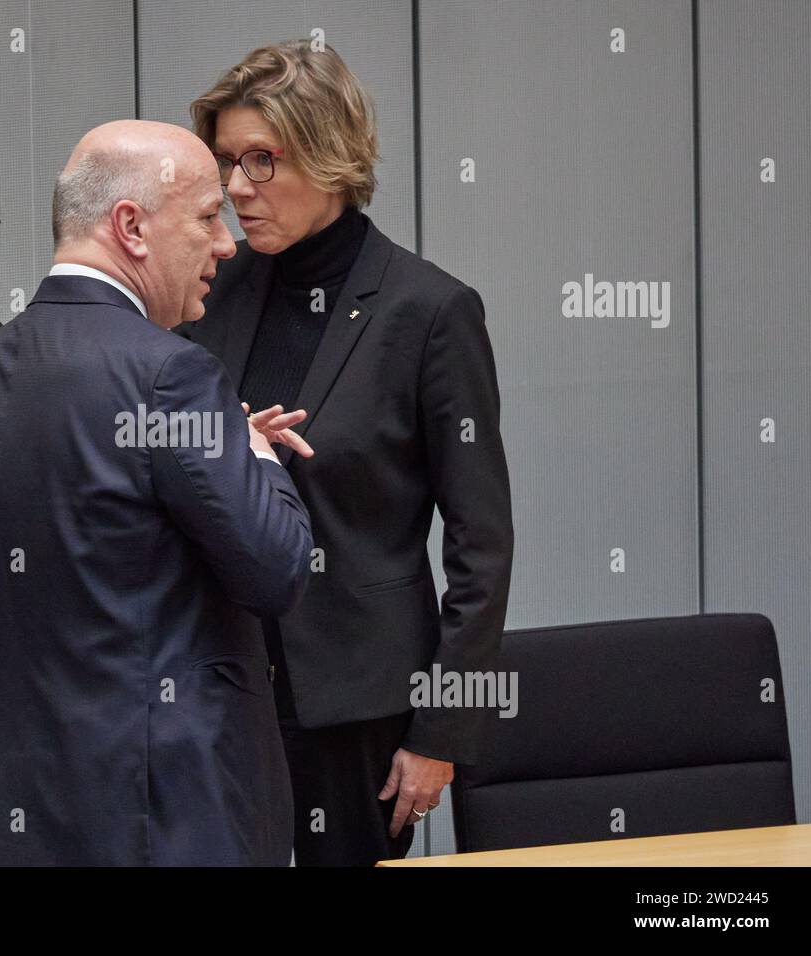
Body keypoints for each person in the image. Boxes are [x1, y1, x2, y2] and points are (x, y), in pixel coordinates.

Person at [0, 119, 315, 866]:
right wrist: (259, 456)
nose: (227, 243)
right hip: (171, 825)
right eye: (208, 216)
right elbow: (278, 569)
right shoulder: (173, 375)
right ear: (131, 227)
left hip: (26, 819)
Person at [182, 40, 515, 865]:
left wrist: (441, 732)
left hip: (358, 707)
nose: (236, 189)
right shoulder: (207, 289)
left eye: (263, 159)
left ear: (331, 156)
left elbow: (482, 546)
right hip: (211, 687)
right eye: (227, 162)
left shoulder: (429, 312)